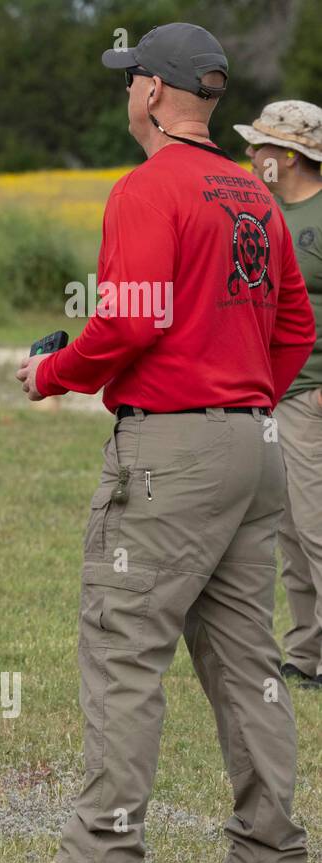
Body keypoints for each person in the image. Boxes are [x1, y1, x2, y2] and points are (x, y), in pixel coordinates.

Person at [16, 24, 314, 863]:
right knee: (249, 663)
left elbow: (132, 320)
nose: (126, 93)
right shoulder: (254, 191)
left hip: (173, 453)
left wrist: (53, 375)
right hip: (255, 447)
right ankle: (270, 857)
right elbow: (294, 327)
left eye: (130, 80)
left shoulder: (147, 189)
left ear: (153, 91)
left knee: (123, 654)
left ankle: (105, 855)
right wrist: (243, 382)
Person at [235, 101, 322, 688]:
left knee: (317, 531)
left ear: (287, 156)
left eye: (259, 146)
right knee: (290, 533)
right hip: (269, 393)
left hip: (310, 397)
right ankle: (308, 656)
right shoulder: (260, 209)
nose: (248, 154)